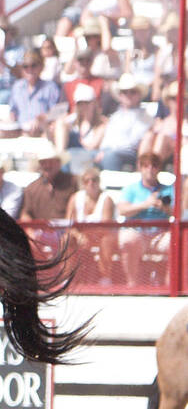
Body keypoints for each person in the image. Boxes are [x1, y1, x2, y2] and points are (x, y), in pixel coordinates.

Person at [117, 151, 174, 285]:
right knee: (128, 239)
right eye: (146, 166)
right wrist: (146, 204)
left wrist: (164, 208)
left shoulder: (169, 189)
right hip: (138, 232)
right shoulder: (130, 189)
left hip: (161, 234)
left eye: (154, 166)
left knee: (177, 241)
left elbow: (178, 212)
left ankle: (170, 285)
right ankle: (132, 285)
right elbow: (123, 210)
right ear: (140, 168)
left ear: (159, 168)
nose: (150, 169)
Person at [65, 166, 118, 285]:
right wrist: (79, 236)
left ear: (99, 182)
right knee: (66, 239)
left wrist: (86, 235)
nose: (91, 183)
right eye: (86, 181)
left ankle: (105, 278)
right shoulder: (75, 198)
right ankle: (67, 278)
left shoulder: (106, 199)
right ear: (82, 183)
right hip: (81, 236)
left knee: (107, 240)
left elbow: (105, 225)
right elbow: (69, 224)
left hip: (101, 236)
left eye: (94, 180)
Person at [91, 75, 153, 171]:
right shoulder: (116, 116)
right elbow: (107, 139)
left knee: (110, 157)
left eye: (132, 92)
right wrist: (104, 151)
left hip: (127, 153)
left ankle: (111, 185)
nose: (128, 95)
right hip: (106, 151)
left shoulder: (144, 117)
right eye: (124, 92)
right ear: (120, 95)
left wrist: (107, 152)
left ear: (139, 95)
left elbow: (132, 142)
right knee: (79, 155)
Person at [4, 49, 62, 138]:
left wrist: (41, 118)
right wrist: (10, 120)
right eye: (25, 66)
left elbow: (56, 113)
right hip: (20, 131)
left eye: (33, 65)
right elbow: (13, 111)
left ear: (41, 66)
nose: (29, 70)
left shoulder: (50, 87)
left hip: (42, 131)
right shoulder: (17, 87)